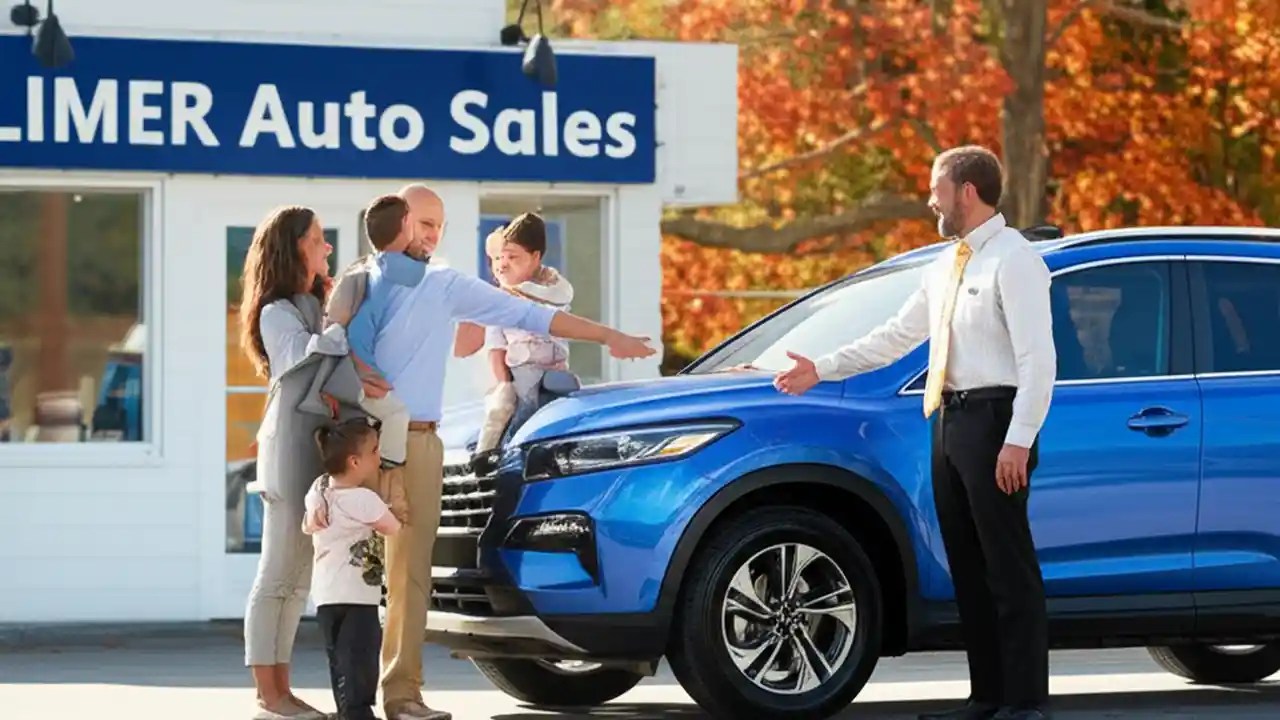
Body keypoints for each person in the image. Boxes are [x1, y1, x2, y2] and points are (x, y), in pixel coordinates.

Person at [321, 183, 656, 720]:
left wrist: (608, 336)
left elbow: (533, 317)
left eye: (437, 226)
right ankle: (333, 697)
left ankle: (402, 695)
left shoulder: (445, 285)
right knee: (343, 572)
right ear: (398, 222)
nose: (429, 235)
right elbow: (326, 349)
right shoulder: (361, 282)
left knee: (409, 573)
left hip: (418, 442)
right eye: (421, 222)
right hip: (355, 441)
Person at [773, 146, 1057, 720]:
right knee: (968, 566)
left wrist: (1019, 439)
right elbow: (893, 338)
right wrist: (820, 368)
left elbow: (1039, 360)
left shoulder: (1014, 259)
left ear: (967, 192)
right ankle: (987, 698)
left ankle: (1025, 702)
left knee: (1008, 565)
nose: (931, 199)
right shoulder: (944, 265)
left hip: (997, 422)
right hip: (949, 421)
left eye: (937, 188)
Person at [239, 205, 341, 720]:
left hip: (317, 447)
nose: (327, 248)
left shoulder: (315, 304)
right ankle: (268, 694)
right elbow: (302, 356)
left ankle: (283, 691)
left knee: (298, 580)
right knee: (277, 574)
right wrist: (340, 327)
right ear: (294, 247)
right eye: (319, 239)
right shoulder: (277, 312)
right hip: (287, 451)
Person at [323, 194, 418, 524]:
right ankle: (392, 489)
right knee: (395, 412)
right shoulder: (364, 276)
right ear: (405, 226)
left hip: (362, 373)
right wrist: (359, 371)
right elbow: (335, 330)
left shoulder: (375, 273)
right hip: (356, 376)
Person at [303, 418, 402, 720]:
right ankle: (359, 713)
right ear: (355, 461)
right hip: (358, 596)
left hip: (325, 593)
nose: (378, 455)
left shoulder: (318, 490)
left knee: (339, 658)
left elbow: (307, 523)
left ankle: (346, 710)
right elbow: (392, 528)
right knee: (360, 656)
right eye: (374, 450)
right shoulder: (363, 499)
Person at [474, 213, 576, 455]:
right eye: (498, 258)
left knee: (564, 409)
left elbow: (561, 316)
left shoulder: (552, 293)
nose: (502, 263)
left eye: (512, 257)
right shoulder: (499, 301)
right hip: (521, 371)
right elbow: (495, 349)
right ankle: (493, 453)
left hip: (555, 369)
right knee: (519, 409)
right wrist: (505, 382)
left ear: (535, 257)